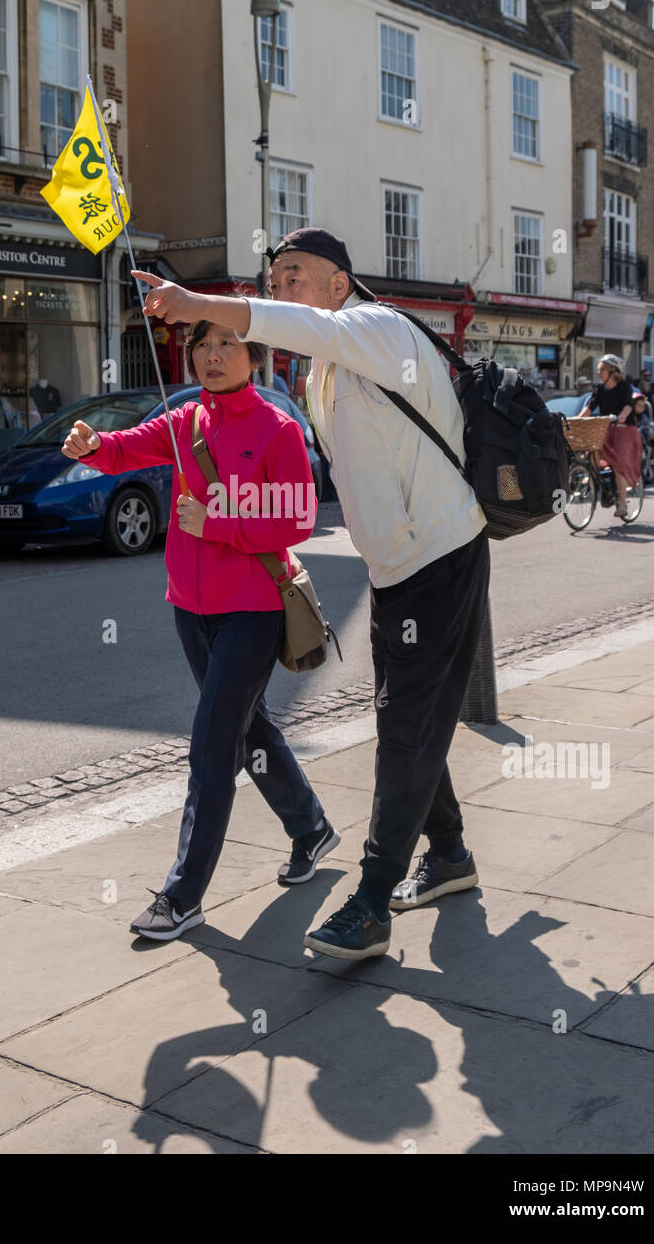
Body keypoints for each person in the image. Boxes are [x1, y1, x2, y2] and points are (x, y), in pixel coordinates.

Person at [130, 225, 490, 961]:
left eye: (295, 274)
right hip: (395, 570)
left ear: (338, 283)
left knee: (403, 724)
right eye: (275, 275)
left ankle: (370, 899)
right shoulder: (325, 375)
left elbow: (298, 326)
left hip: (442, 555)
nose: (281, 287)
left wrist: (199, 301)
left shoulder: (376, 328)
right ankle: (449, 854)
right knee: (409, 713)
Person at [61, 323, 339, 942]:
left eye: (226, 345)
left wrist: (219, 523)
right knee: (251, 727)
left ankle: (183, 895)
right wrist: (89, 444)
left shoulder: (279, 428)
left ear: (253, 355)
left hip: (253, 610)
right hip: (190, 608)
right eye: (201, 347)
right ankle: (312, 828)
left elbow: (297, 517)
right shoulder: (185, 421)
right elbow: (123, 448)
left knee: (213, 745)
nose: (211, 356)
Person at [577, 354, 641, 516]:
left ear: (614, 370)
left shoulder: (624, 387)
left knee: (618, 466)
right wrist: (576, 420)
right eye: (599, 369)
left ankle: (622, 504)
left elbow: (628, 405)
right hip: (605, 429)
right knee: (591, 453)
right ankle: (598, 482)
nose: (599, 372)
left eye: (603, 369)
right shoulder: (599, 388)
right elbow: (590, 407)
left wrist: (621, 416)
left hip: (623, 430)